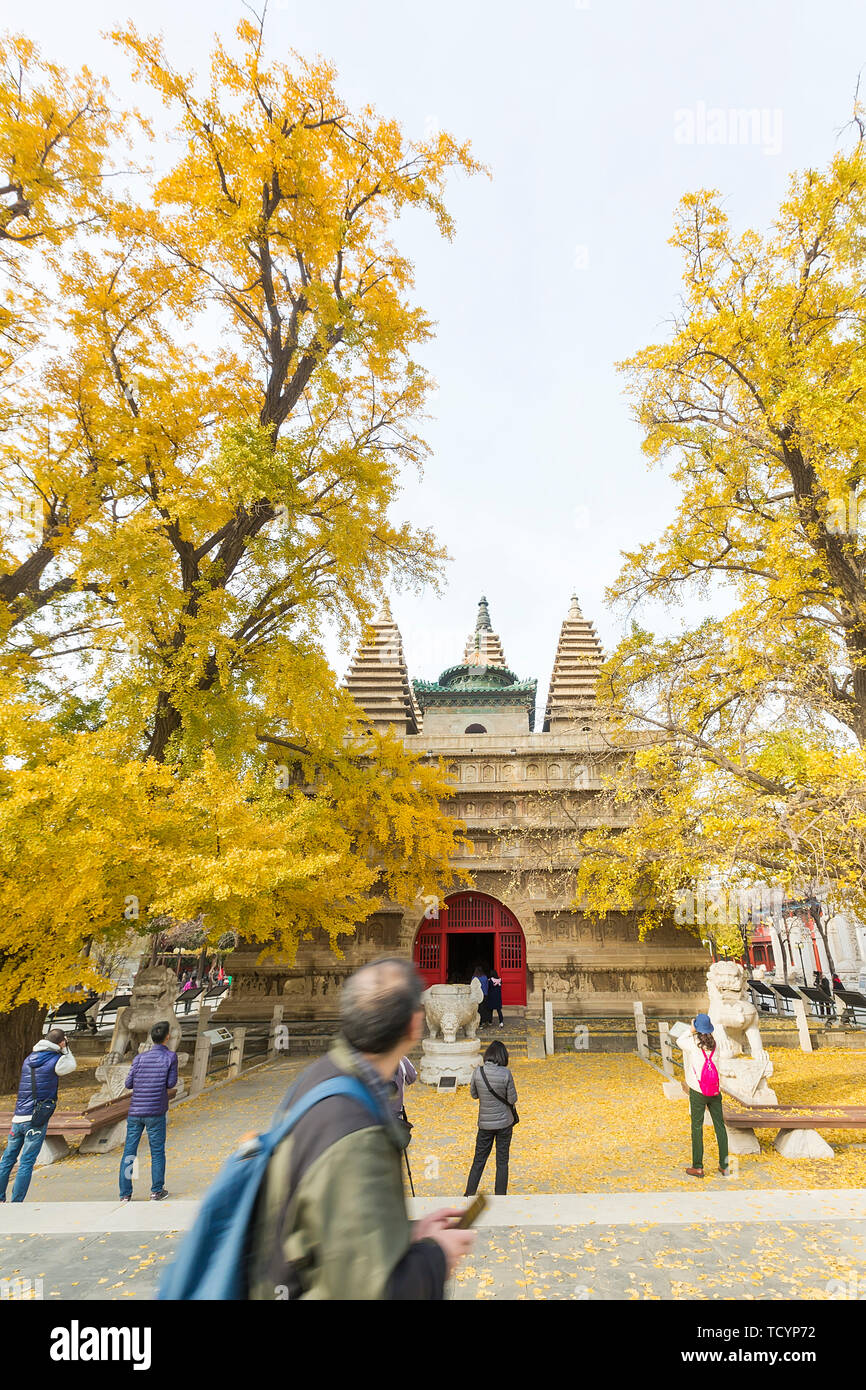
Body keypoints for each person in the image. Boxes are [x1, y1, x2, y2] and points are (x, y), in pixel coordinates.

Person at [247, 957, 474, 1299]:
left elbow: (336, 1233)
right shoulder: (356, 1132)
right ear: (416, 1025)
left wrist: (409, 1234)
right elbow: (373, 1292)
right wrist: (436, 1256)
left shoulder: (319, 1078)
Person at [0, 1028, 77, 1202]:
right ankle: (17, 1201)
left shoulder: (28, 1059)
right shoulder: (56, 1060)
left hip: (18, 1116)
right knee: (26, 1162)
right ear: (61, 1042)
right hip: (36, 1118)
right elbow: (71, 1065)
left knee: (7, 1160)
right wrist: (65, 1049)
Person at [119, 1021, 178, 1203]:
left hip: (136, 1110)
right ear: (167, 1036)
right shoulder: (170, 1057)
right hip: (155, 1110)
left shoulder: (139, 1058)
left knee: (130, 1150)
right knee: (157, 1151)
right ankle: (156, 1190)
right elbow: (171, 1083)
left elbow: (128, 1084)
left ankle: (126, 1193)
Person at [676, 1014, 729, 1179]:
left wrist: (690, 1029)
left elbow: (679, 1040)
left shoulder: (693, 1044)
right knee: (720, 1127)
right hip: (715, 1091)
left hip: (698, 1091)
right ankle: (725, 1166)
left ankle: (698, 1167)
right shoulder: (716, 1045)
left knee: (697, 1127)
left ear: (697, 1028)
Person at [464, 1040, 518, 1197]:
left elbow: (474, 1095)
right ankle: (500, 1196)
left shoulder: (478, 1072)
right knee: (502, 1162)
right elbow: (512, 1099)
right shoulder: (506, 1073)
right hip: (504, 1124)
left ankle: (469, 1194)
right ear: (503, 1056)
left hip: (485, 1124)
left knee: (479, 1160)